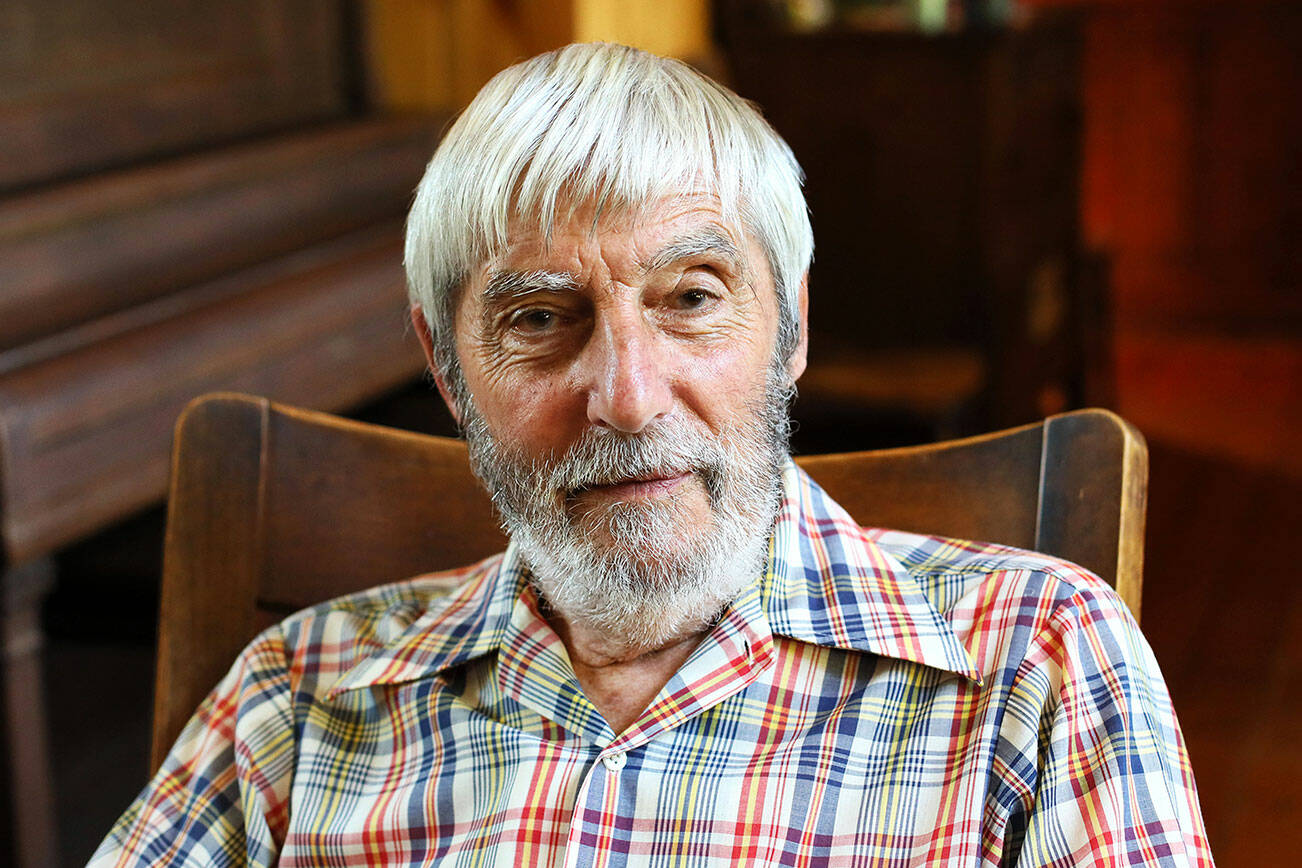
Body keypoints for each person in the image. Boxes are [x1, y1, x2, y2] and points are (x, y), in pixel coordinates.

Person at [93, 43, 1212, 866]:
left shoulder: (1038, 663)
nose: (627, 399)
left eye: (691, 297)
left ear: (793, 326)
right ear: (445, 366)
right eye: (540, 318)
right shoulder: (299, 697)